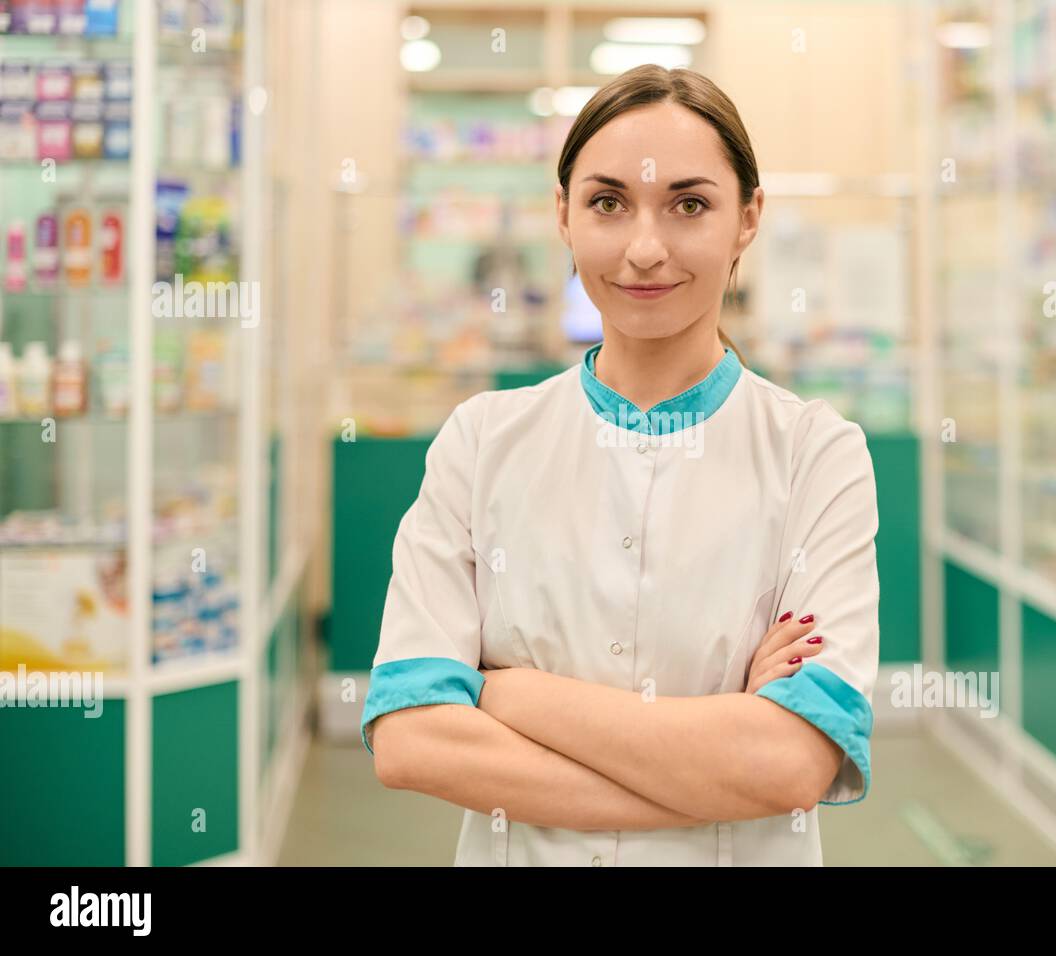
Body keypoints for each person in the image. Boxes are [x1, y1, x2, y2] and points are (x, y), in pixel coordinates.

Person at [361, 64, 880, 866]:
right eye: (608, 202)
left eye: (690, 204)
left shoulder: (817, 454)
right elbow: (412, 741)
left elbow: (791, 762)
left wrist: (504, 692)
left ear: (747, 219)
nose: (645, 249)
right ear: (562, 215)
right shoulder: (482, 441)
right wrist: (718, 754)